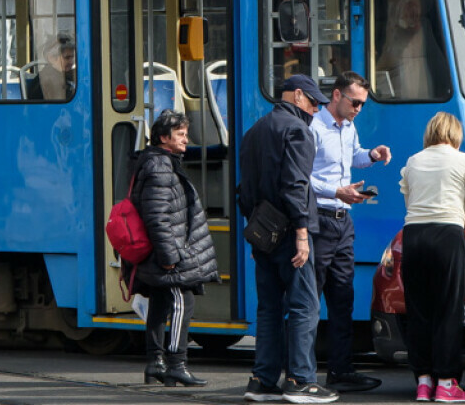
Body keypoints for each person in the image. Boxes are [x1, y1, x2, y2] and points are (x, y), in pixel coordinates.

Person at [239, 74, 338, 405]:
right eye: (313, 102)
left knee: (268, 308)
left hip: (263, 235)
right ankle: (300, 380)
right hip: (291, 235)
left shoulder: (253, 131)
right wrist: (301, 234)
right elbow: (295, 185)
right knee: (304, 306)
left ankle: (262, 381)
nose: (316, 110)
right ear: (297, 96)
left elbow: (245, 191)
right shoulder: (298, 131)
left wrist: (257, 235)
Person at [307, 72, 390, 393]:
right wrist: (335, 191)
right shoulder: (314, 127)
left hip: (343, 221)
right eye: (355, 102)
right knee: (309, 299)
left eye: (362, 104)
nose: (358, 108)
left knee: (343, 298)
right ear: (337, 95)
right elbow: (303, 176)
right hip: (319, 218)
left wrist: (371, 155)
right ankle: (300, 372)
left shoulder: (348, 126)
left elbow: (352, 157)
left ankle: (341, 370)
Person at [399, 113, 465, 403]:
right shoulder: (464, 161)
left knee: (419, 310)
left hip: (413, 236)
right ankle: (447, 383)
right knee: (448, 310)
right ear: (456, 134)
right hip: (447, 235)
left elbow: (409, 201)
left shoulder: (413, 160)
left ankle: (423, 382)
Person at [130, 110, 219, 387]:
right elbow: (157, 216)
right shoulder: (160, 166)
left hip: (163, 251)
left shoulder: (162, 162)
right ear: (164, 137)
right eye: (180, 135)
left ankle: (155, 364)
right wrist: (169, 258)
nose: (186, 139)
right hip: (167, 254)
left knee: (159, 303)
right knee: (183, 301)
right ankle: (176, 364)